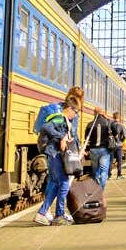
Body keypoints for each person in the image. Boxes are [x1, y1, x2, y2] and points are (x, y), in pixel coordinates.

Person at [33, 89, 82, 225]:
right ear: (70, 108)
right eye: (76, 112)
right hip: (54, 154)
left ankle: (42, 213)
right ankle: (59, 214)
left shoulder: (64, 119)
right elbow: (46, 128)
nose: (76, 115)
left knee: (55, 184)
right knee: (64, 183)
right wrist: (61, 136)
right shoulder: (60, 117)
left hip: (54, 154)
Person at [83, 107, 117, 187]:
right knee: (104, 171)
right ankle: (101, 190)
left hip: (93, 150)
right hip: (104, 150)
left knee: (95, 171)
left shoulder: (90, 124)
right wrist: (107, 118)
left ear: (94, 113)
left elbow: (86, 137)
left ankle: (96, 184)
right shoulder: (107, 122)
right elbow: (115, 132)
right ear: (102, 113)